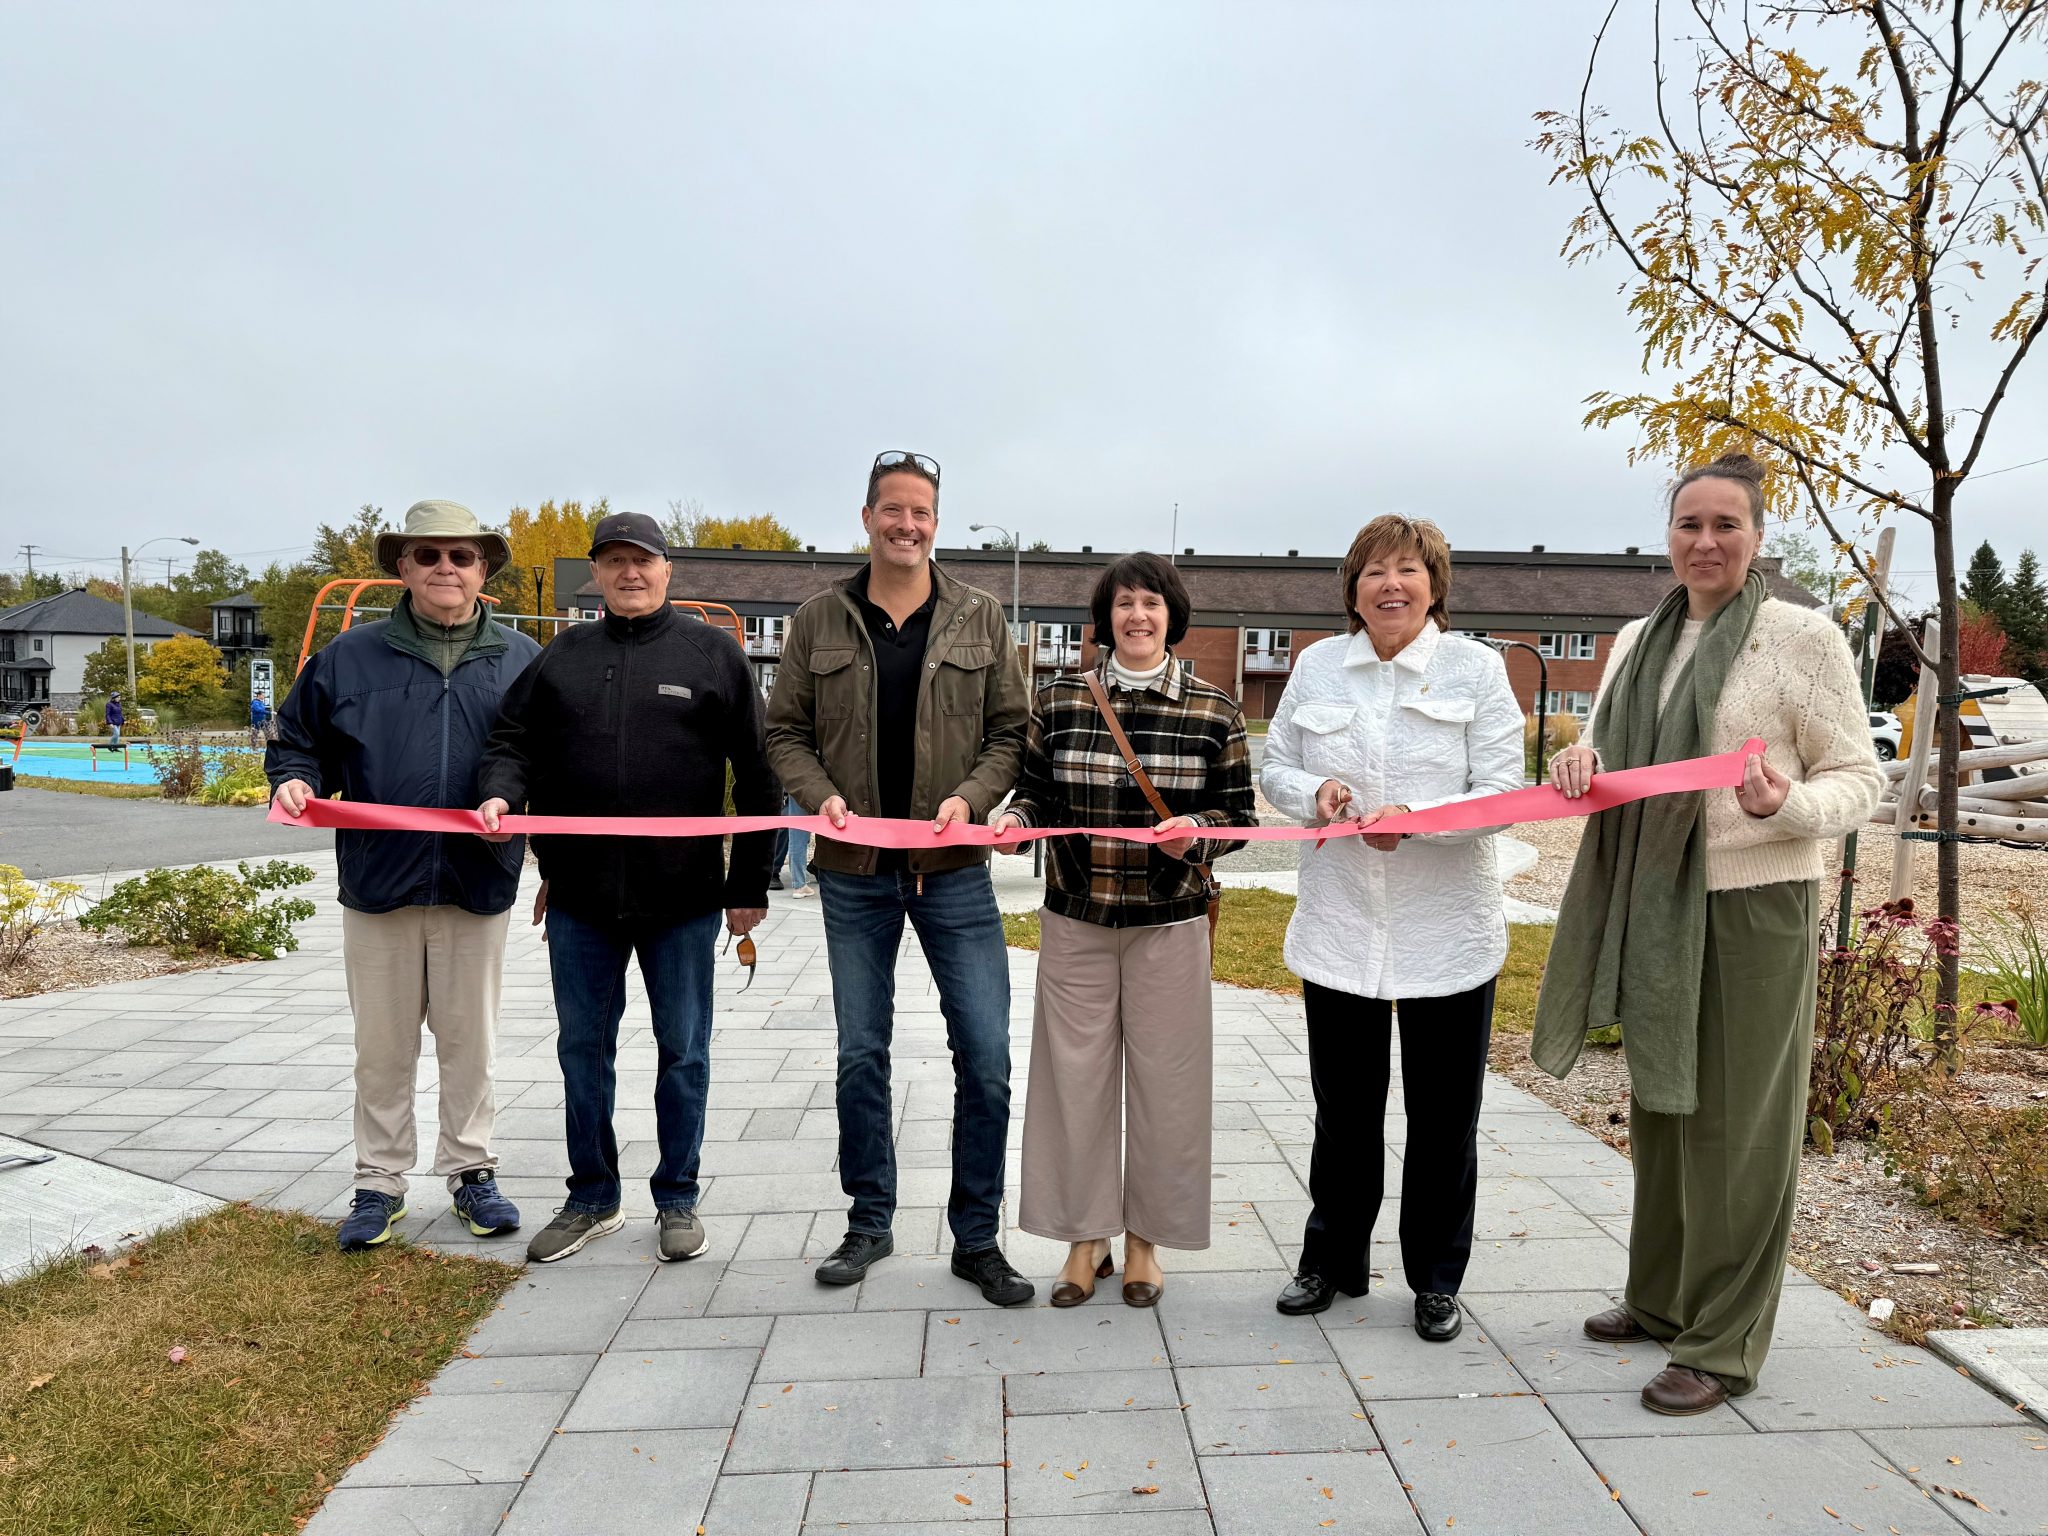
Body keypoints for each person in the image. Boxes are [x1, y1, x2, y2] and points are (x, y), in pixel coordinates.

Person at [1533, 452, 1884, 1414]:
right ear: (1669, 537)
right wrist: (1581, 762)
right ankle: (1660, 1298)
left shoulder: (1802, 638)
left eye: (1727, 524)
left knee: (1739, 1123)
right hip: (1651, 896)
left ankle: (1722, 1343)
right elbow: (1604, 750)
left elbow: (1861, 777)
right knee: (1665, 1100)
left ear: (1759, 538)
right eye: (1690, 523)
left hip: (1752, 900)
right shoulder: (1633, 641)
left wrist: (1787, 802)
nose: (1706, 541)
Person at [765, 449, 1035, 1305]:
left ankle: (978, 1237)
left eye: (920, 512)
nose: (906, 525)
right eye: (892, 510)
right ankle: (868, 1221)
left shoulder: (981, 618)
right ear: (868, 518)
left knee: (985, 1057)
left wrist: (969, 798)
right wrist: (822, 797)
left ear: (936, 524)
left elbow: (1011, 733)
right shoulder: (819, 620)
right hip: (853, 875)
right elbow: (784, 735)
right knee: (860, 1054)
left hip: (954, 873)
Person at [478, 510, 777, 1265]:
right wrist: (504, 794)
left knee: (684, 1050)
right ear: (596, 576)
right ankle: (592, 1196)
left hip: (683, 901)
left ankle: (677, 1196)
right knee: (584, 1050)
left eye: (642, 561)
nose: (629, 573)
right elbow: (511, 741)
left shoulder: (712, 655)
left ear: (667, 570)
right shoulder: (562, 657)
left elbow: (761, 773)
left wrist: (750, 884)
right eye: (612, 562)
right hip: (580, 899)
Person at [1260, 515, 1524, 1342]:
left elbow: (1503, 789)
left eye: (1408, 569)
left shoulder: (1476, 669)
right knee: (1344, 1114)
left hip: (1447, 933)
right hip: (1342, 928)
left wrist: (1418, 819)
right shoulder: (1314, 666)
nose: (1391, 585)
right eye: (1375, 571)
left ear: (1434, 583)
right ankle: (1331, 1261)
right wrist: (1318, 794)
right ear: (1353, 587)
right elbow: (1276, 765)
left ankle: (1435, 1279)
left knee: (1445, 1120)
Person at [268, 499, 539, 1251]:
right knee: (382, 1045)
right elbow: (297, 742)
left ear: (484, 570)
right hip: (379, 881)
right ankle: (378, 1182)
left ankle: (472, 1172)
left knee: (470, 1041)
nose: (445, 568)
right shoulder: (348, 657)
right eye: (429, 556)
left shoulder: (520, 659)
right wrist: (293, 780)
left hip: (477, 880)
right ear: (403, 567)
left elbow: (546, 761)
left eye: (461, 556)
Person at [994, 552, 1255, 1307]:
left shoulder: (1214, 709)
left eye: (1151, 603)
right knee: (1072, 1084)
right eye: (1122, 604)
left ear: (1173, 614)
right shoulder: (1063, 699)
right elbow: (1037, 794)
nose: (1137, 616)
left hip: (1169, 926)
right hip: (1076, 919)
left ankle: (1146, 1242)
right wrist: (1015, 820)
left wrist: (1196, 834)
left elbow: (1240, 819)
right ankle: (1085, 1241)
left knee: (1167, 1089)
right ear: (1105, 617)